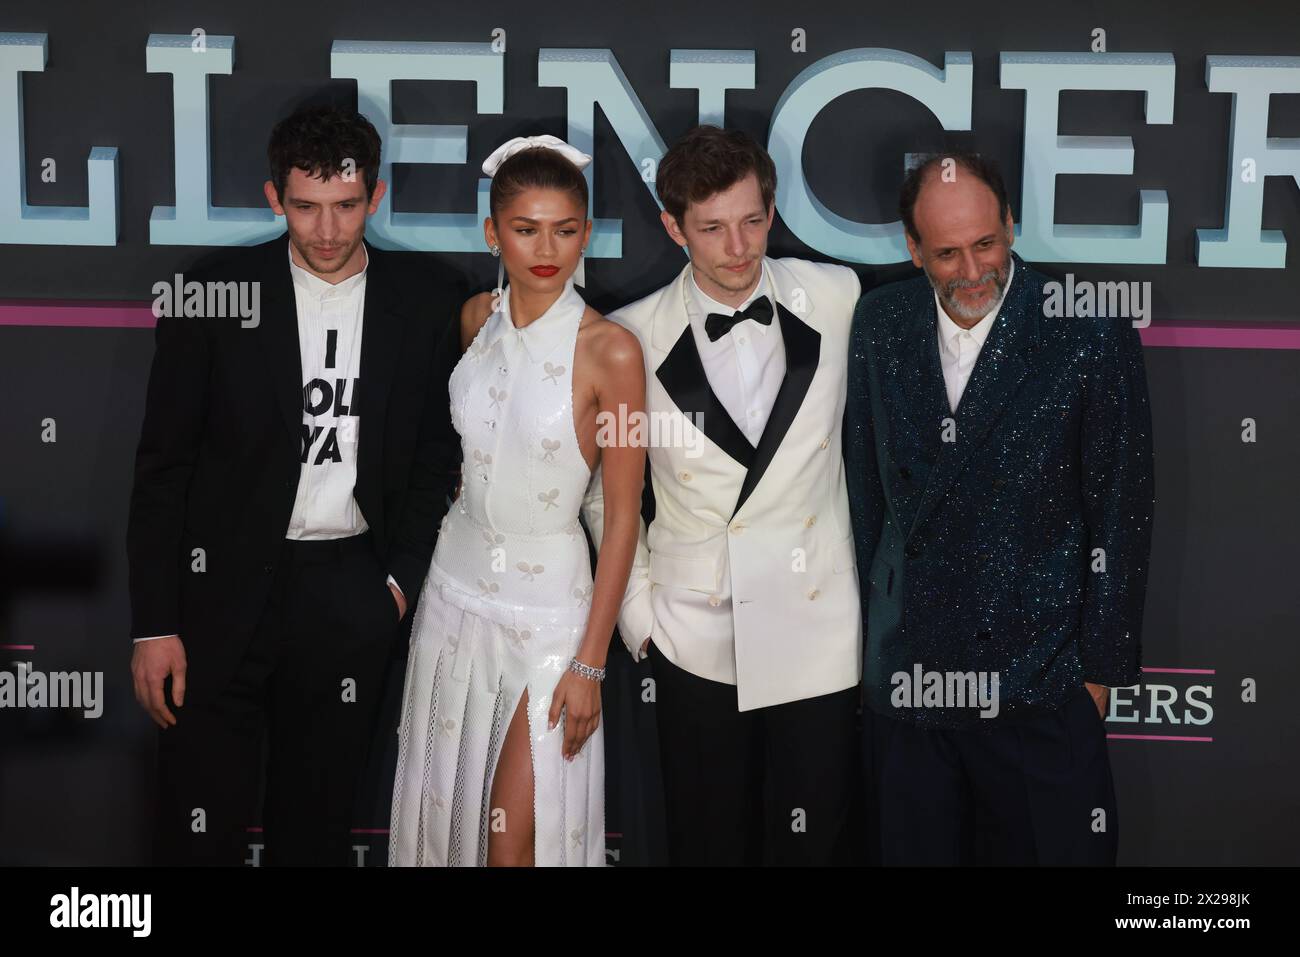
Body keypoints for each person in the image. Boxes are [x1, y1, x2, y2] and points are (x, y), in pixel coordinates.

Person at [127, 102, 462, 865]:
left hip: (350, 593)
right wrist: (154, 623)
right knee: (194, 828)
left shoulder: (430, 301)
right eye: (306, 208)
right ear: (274, 198)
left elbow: (434, 466)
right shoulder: (211, 297)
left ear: (374, 197)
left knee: (315, 834)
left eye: (346, 207)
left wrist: (396, 589)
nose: (328, 231)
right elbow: (161, 469)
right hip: (218, 597)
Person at [844, 151, 1155, 865]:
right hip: (910, 685)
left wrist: (1097, 675)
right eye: (946, 253)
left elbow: (1122, 508)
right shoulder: (881, 323)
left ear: (1012, 224)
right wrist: (877, 644)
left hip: (1039, 686)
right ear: (912, 247)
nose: (972, 270)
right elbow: (867, 497)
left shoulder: (1087, 329)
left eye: (986, 243)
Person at [583, 125, 862, 865]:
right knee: (708, 846)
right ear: (674, 227)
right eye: (711, 228)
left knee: (818, 848)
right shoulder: (628, 339)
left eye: (751, 221)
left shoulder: (838, 297)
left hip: (819, 634)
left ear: (771, 211)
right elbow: (599, 496)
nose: (738, 247)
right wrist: (643, 623)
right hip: (695, 638)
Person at [388, 135, 647, 867]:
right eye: (526, 228)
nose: (547, 248)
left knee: (514, 838)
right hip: (453, 599)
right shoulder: (476, 319)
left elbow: (623, 515)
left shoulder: (613, 352)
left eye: (565, 229)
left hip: (550, 622)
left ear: (587, 233)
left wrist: (590, 662)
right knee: (450, 826)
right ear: (492, 230)